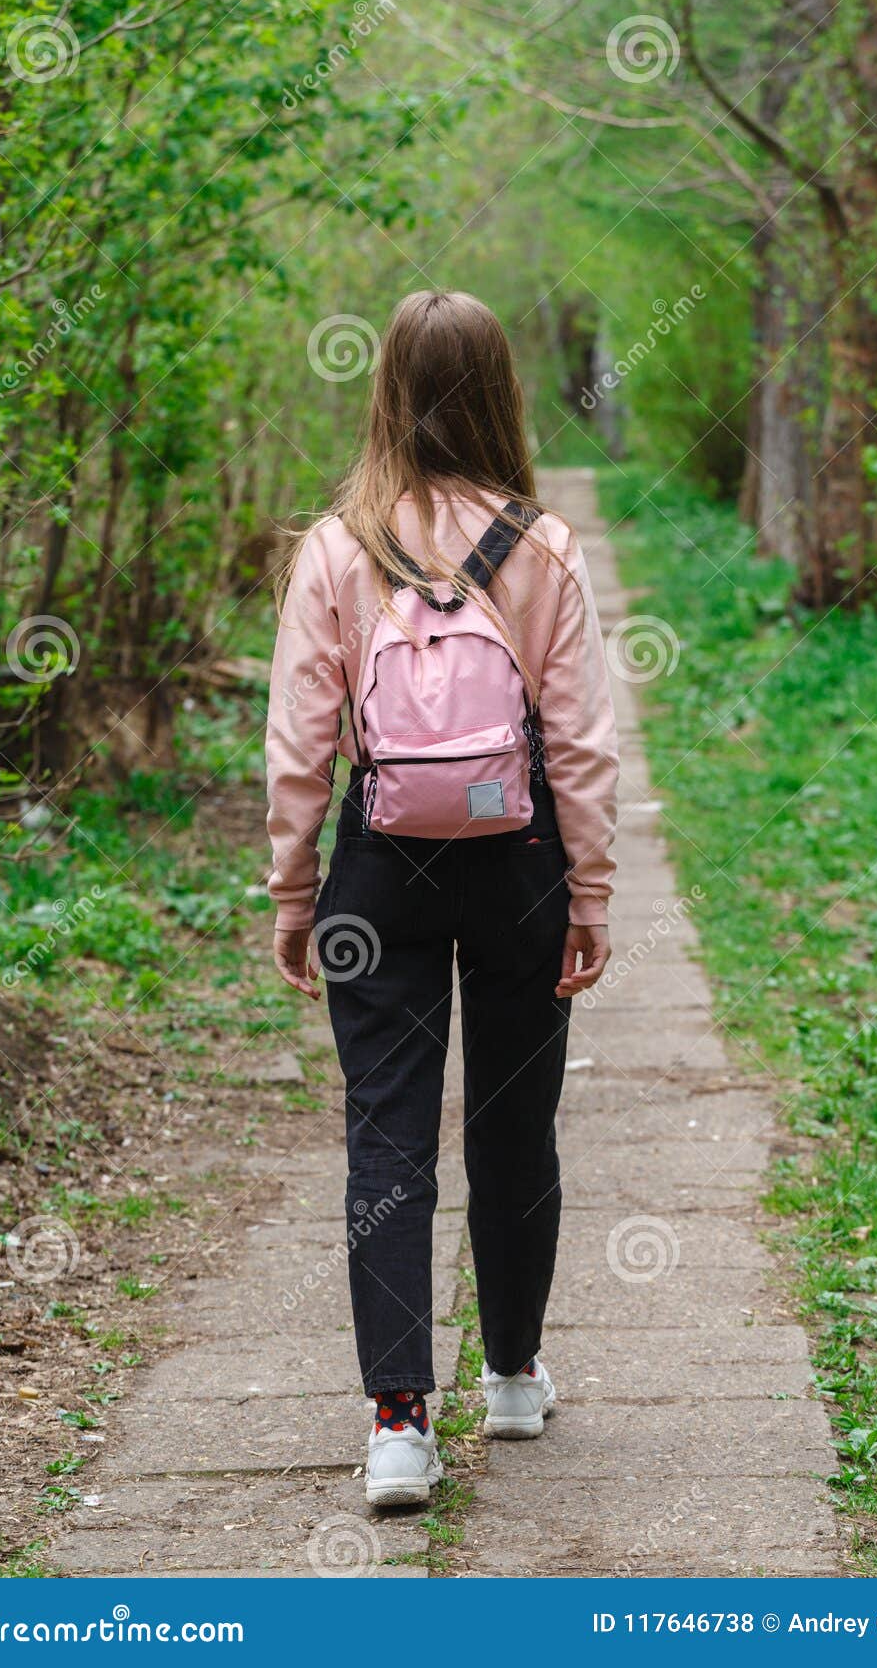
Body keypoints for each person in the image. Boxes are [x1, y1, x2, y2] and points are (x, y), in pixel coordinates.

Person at [265, 289, 618, 1506]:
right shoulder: (543, 546)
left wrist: (293, 890)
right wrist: (589, 892)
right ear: (502, 392)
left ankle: (398, 1425)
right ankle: (511, 1374)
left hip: (380, 864)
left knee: (387, 1135)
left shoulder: (336, 546)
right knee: (515, 1124)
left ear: (385, 392)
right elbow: (578, 741)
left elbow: (300, 744)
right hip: (517, 857)